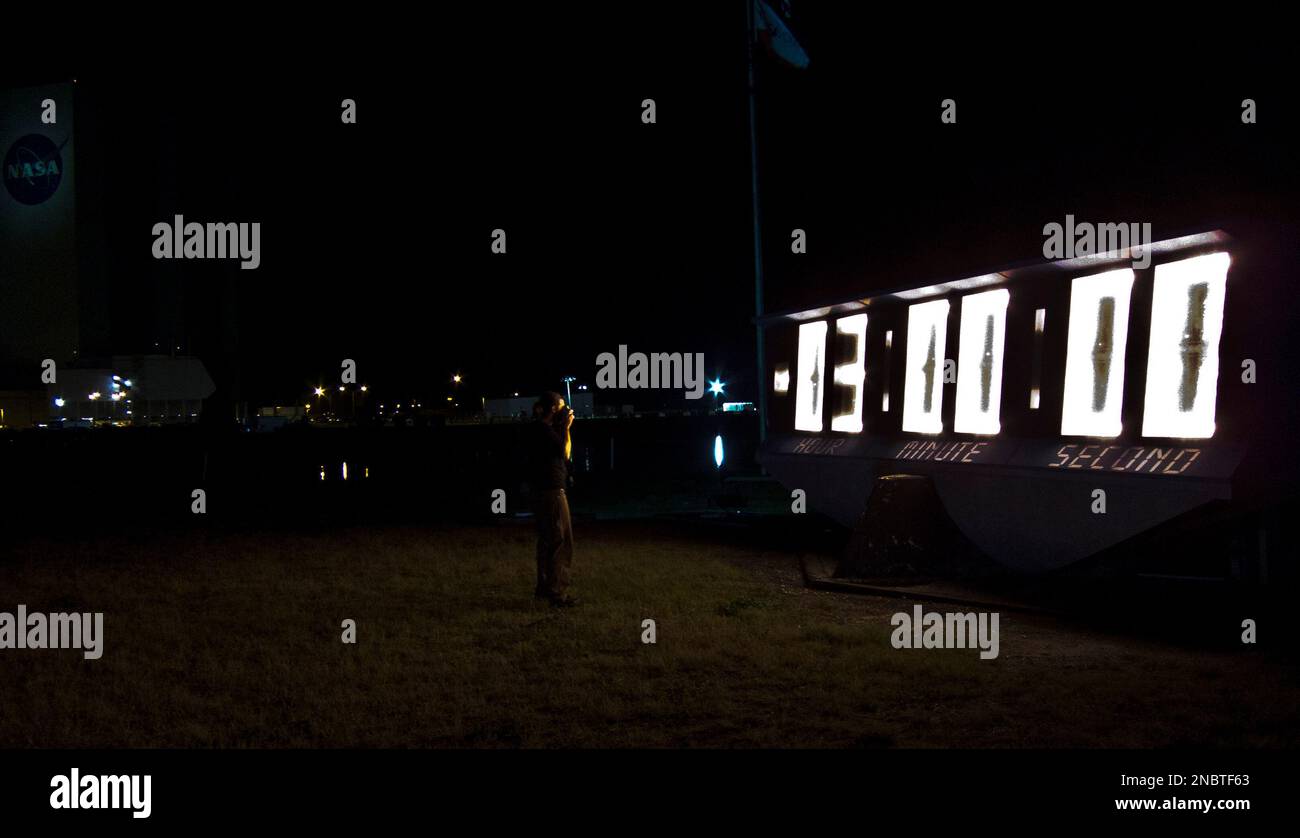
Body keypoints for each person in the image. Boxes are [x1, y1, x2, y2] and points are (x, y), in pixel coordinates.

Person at [527, 392, 577, 606]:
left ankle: (544, 587)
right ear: (553, 409)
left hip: (540, 491)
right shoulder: (546, 431)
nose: (565, 410)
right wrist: (566, 428)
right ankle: (557, 593)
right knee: (561, 542)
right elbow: (565, 452)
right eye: (562, 406)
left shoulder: (538, 430)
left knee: (546, 541)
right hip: (553, 492)